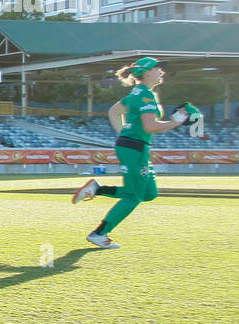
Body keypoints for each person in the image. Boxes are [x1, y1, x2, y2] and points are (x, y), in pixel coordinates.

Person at [71, 57, 197, 249]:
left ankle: (96, 189)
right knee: (133, 197)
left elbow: (114, 112)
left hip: (134, 146)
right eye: (157, 68)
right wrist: (177, 122)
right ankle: (99, 234)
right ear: (146, 72)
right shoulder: (145, 95)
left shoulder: (137, 92)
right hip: (135, 148)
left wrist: (124, 134)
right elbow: (150, 125)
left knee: (148, 193)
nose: (161, 71)